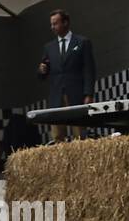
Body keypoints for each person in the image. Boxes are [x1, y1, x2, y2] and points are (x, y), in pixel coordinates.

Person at [38, 9, 96, 140]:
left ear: (65, 23)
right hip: (56, 95)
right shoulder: (49, 47)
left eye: (55, 23)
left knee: (80, 133)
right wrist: (42, 70)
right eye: (51, 24)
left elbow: (89, 70)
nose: (52, 27)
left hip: (77, 94)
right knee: (57, 134)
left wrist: (89, 94)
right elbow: (43, 73)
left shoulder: (82, 42)